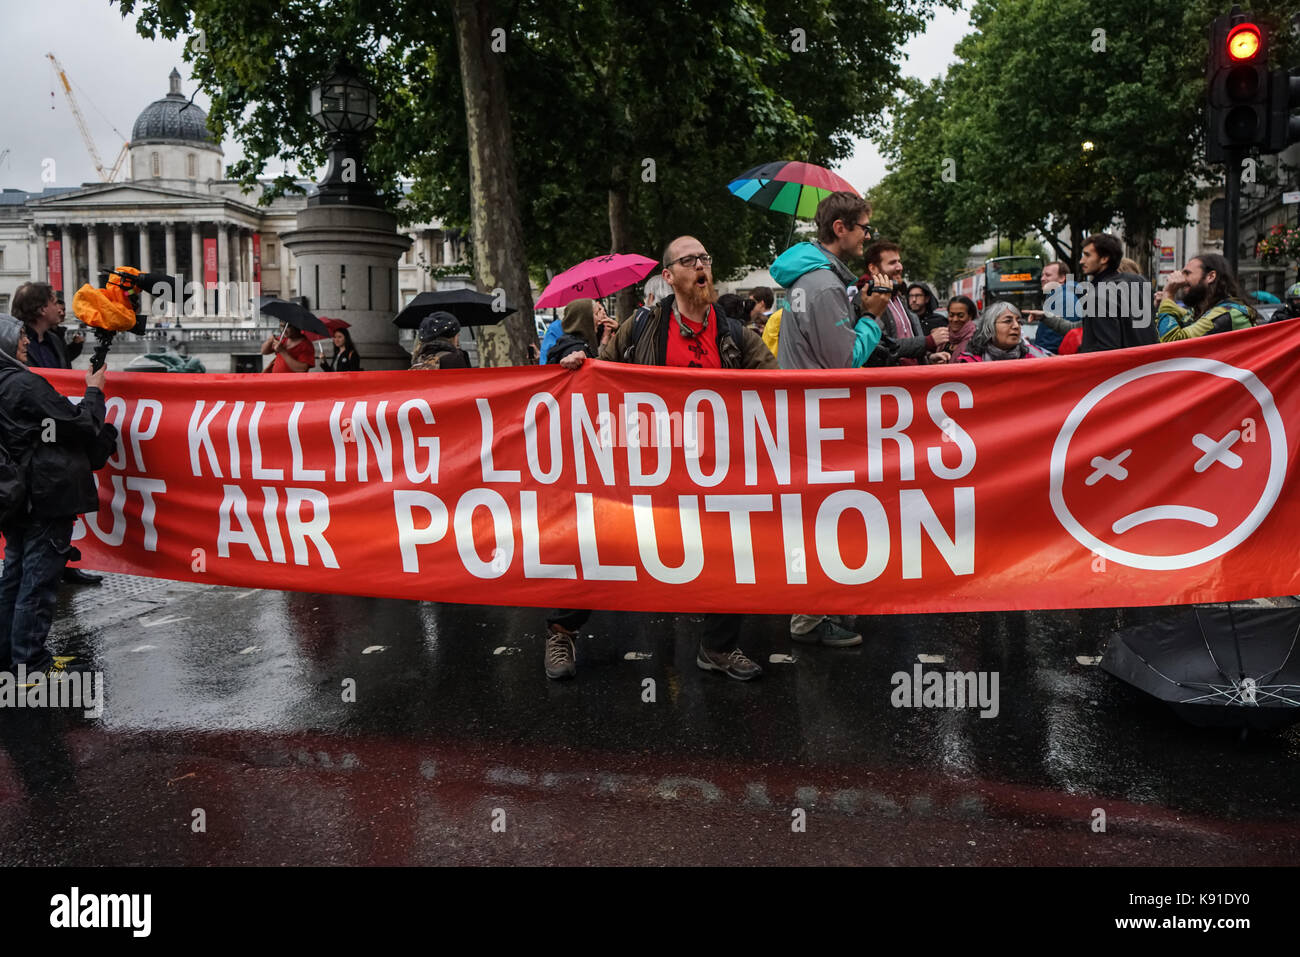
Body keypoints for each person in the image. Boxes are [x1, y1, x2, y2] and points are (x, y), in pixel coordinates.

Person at [549, 235, 774, 683]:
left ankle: (718, 648)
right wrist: (573, 359)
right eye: (690, 260)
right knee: (605, 545)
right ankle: (561, 630)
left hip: (713, 468)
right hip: (646, 465)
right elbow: (600, 372)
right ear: (669, 277)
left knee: (729, 552)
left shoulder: (733, 333)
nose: (701, 266)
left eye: (706, 258)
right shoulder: (644, 325)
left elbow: (775, 384)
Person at [769, 192, 885, 648]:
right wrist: (872, 319)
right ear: (840, 229)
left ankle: (812, 609)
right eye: (863, 228)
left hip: (805, 417)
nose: (867, 237)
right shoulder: (824, 285)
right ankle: (810, 617)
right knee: (819, 516)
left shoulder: (808, 278)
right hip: (818, 419)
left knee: (811, 514)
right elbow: (843, 363)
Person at [0, 315, 117, 682]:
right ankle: (30, 665)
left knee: (14, 576)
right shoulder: (23, 384)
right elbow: (80, 424)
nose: (24, 342)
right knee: (37, 583)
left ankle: (9, 657)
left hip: (13, 494)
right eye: (17, 336)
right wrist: (94, 391)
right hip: (45, 494)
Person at [1038, 234, 1154, 353]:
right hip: (1147, 366)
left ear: (1104, 258)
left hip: (1119, 369)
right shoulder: (1138, 282)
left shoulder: (1099, 295)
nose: (1082, 261)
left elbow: (1105, 349)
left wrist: (1075, 358)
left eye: (1087, 255)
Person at [862, 242, 949, 364]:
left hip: (913, 378)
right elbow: (881, 348)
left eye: (899, 261)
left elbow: (907, 339)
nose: (900, 267)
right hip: (891, 381)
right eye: (893, 263)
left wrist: (928, 357)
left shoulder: (899, 297)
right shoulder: (866, 300)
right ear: (873, 269)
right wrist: (928, 341)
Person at [1156, 254, 1258, 343]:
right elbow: (1182, 316)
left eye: (1187, 273)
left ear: (1210, 276)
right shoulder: (1204, 310)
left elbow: (1172, 344)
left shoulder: (1227, 314)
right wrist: (1164, 303)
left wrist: (1169, 295)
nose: (1182, 280)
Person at [955, 301, 1050, 362]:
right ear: (989, 328)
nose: (1016, 326)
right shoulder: (970, 362)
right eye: (1008, 321)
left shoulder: (1035, 356)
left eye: (1019, 321)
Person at [12, 282, 76, 370]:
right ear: (42, 309)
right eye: (55, 303)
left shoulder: (56, 340)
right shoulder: (14, 345)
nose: (60, 310)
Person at [1022, 261, 1078, 354]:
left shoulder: (1063, 298)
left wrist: (1037, 351)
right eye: (1042, 275)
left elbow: (1053, 340)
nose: (1042, 278)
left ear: (1062, 278)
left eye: (1047, 275)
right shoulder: (1059, 296)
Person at [546, 298, 616, 364]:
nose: (599, 319)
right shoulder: (576, 351)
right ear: (585, 319)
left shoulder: (572, 341)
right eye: (596, 314)